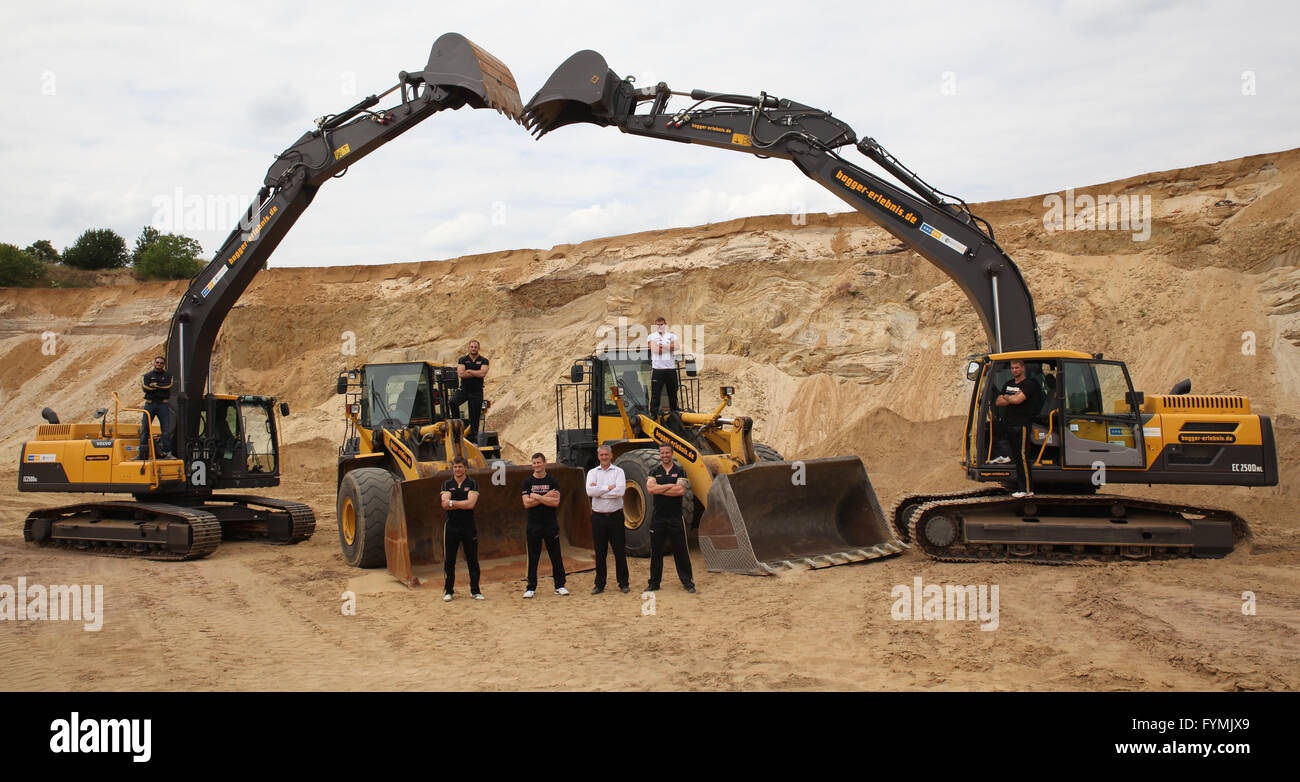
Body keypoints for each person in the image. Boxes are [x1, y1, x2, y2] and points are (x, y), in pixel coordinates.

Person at [645, 442, 696, 593]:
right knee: (656, 552)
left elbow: (680, 491)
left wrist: (659, 489)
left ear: (672, 453)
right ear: (659, 454)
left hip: (675, 517)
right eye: (662, 453)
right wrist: (669, 486)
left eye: (667, 453)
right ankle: (654, 583)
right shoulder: (654, 471)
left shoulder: (680, 471)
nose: (665, 455)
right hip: (658, 518)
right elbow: (650, 489)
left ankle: (688, 583)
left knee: (681, 551)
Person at [521, 452, 569, 598]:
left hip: (550, 524)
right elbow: (526, 503)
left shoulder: (553, 481)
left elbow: (555, 502)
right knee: (533, 557)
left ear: (545, 463)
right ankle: (531, 588)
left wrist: (537, 497)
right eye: (534, 463)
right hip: (533, 525)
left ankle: (560, 585)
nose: (536, 465)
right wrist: (545, 497)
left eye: (539, 462)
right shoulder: (527, 482)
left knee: (555, 555)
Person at [994, 359, 1042, 498]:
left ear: (1023, 368)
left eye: (1016, 368)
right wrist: (1012, 397)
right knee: (1015, 456)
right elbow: (998, 401)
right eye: (1012, 368)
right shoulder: (1008, 384)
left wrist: (1008, 398)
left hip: (1021, 426)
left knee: (1022, 457)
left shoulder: (1029, 384)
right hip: (1009, 424)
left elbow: (1018, 400)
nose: (1014, 370)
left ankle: (1026, 489)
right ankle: (1019, 486)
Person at [585, 445, 629, 594]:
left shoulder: (619, 472)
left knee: (619, 551)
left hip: (615, 516)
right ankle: (599, 584)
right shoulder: (592, 472)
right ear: (598, 457)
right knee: (600, 552)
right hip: (598, 518)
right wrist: (609, 488)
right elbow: (590, 492)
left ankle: (623, 583)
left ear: (611, 456)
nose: (604, 457)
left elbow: (620, 491)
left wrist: (600, 490)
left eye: (606, 454)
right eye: (601, 455)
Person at [440, 457, 484, 601]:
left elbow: (471, 504)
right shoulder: (447, 484)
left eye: (460, 467)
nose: (457, 469)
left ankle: (475, 590)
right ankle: (449, 591)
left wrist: (452, 502)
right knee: (449, 560)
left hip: (468, 526)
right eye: (455, 467)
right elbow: (444, 505)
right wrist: (461, 503)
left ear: (465, 468)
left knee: (472, 559)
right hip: (451, 525)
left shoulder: (472, 484)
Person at [138, 356, 175, 460]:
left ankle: (168, 453)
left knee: (166, 430)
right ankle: (142, 454)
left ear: (164, 365)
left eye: (161, 363)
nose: (159, 365)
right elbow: (146, 388)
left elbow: (168, 386)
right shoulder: (147, 375)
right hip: (149, 404)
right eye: (157, 362)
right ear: (154, 363)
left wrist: (156, 385)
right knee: (145, 429)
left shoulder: (168, 375)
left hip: (163, 405)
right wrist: (159, 387)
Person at [455, 340, 489, 442]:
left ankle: (473, 437)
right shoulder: (462, 360)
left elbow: (482, 374)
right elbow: (461, 374)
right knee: (452, 401)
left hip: (477, 391)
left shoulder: (484, 360)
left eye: (475, 347)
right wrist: (476, 373)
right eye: (472, 347)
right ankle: (457, 422)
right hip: (464, 389)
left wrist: (469, 371)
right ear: (468, 348)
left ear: (478, 348)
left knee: (475, 416)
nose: (473, 348)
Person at [647, 317, 679, 420]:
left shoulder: (672, 335)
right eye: (658, 324)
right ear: (655, 325)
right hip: (658, 369)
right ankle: (653, 414)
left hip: (670, 369)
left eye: (661, 324)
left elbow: (677, 347)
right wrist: (668, 346)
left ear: (665, 324)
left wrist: (662, 346)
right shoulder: (651, 336)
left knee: (673, 392)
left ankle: (675, 411)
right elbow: (656, 350)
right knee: (656, 393)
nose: (660, 326)